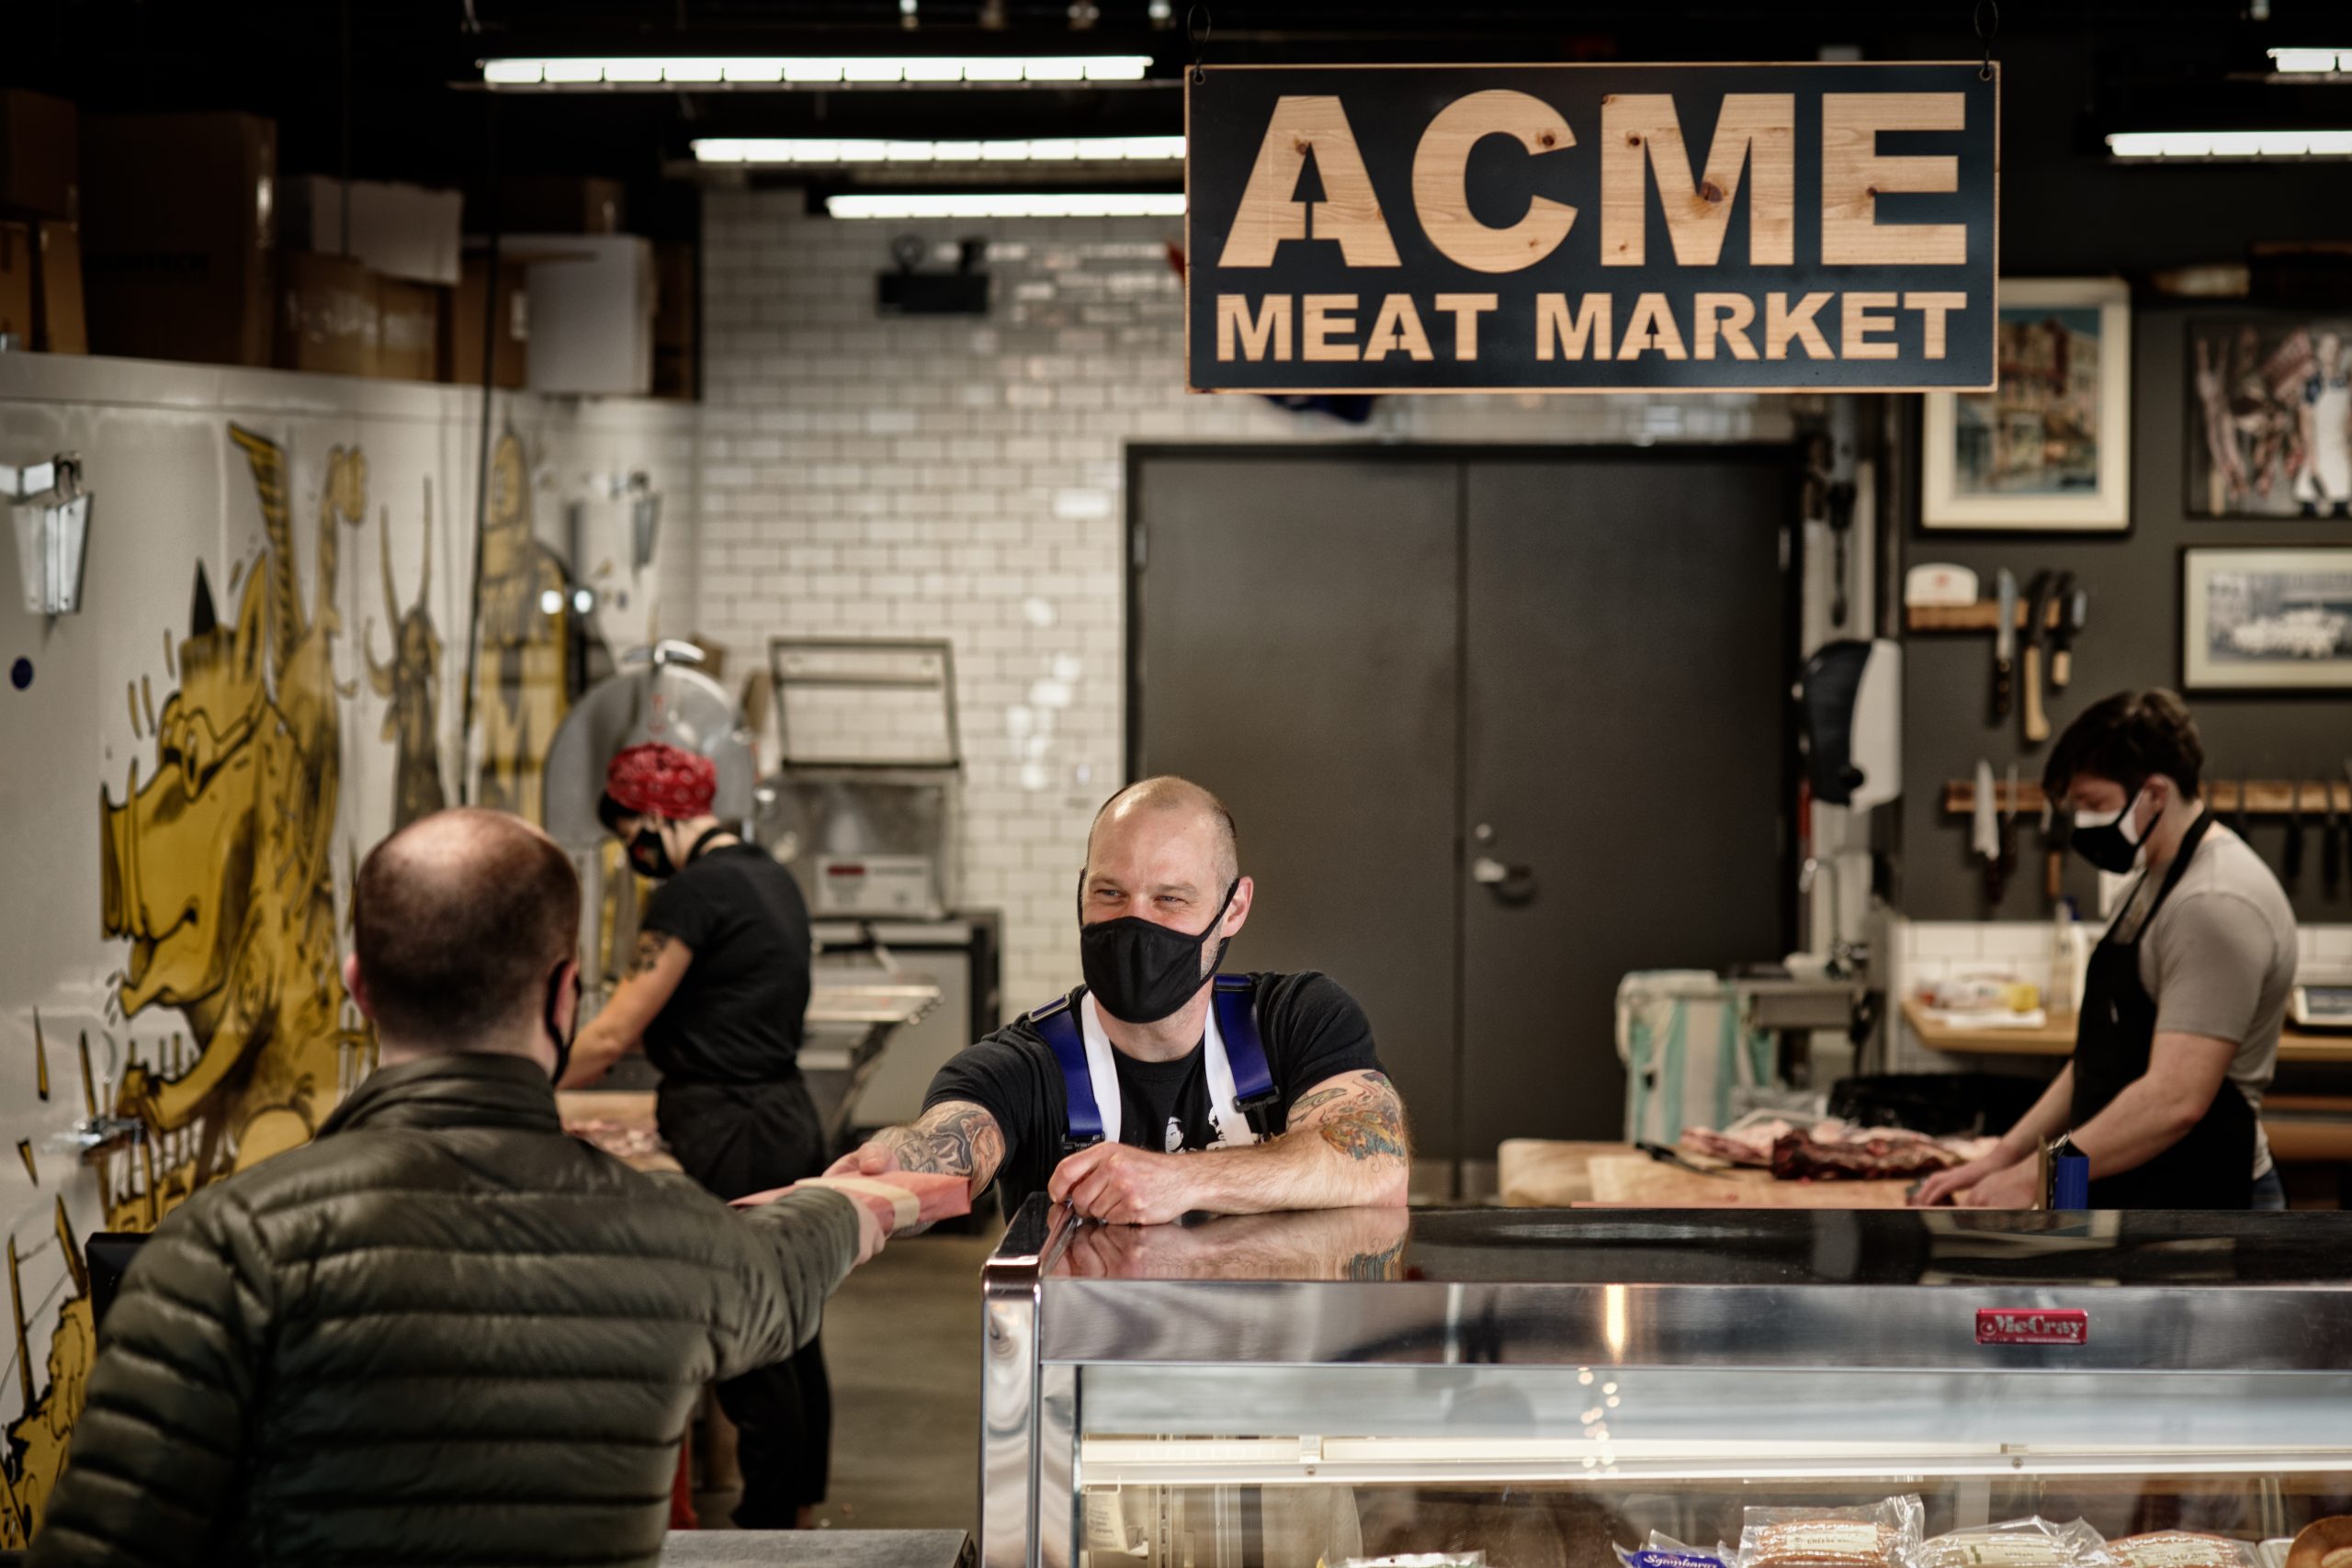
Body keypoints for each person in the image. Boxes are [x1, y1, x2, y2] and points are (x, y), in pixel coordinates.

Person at [31, 808, 922, 1568]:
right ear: (566, 994)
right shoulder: (677, 1238)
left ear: (359, 989)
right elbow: (789, 1262)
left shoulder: (222, 1244)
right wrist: (869, 1192)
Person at [832, 775, 1409, 1224]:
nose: (1135, 923)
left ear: (1233, 908)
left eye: (1170, 899)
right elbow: (949, 1143)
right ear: (1081, 890)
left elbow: (1377, 1165)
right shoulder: (1023, 1066)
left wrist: (1178, 1181)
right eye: (1110, 893)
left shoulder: (1296, 1020)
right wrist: (894, 1164)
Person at [561, 740, 832, 1529]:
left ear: (651, 816)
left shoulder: (691, 893)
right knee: (794, 1314)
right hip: (784, 1113)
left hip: (728, 1125)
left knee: (744, 1321)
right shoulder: (767, 874)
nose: (630, 851)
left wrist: (526, 1083)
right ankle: (798, 1503)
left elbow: (615, 1032)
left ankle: (768, 1521)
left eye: (626, 832)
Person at [1916, 692, 2297, 1211]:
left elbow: (2174, 1100)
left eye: (2094, 805)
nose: (2084, 823)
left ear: (2155, 794)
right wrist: (2003, 1157)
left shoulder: (2212, 903)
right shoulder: (2151, 880)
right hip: (2140, 1186)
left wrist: (2038, 1175)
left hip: (2204, 1200)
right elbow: (2098, 1063)